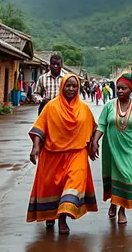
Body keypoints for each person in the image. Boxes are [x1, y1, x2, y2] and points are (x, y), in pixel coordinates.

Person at [27, 74, 98, 234]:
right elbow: (40, 127)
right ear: (62, 87)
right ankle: (50, 214)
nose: (71, 89)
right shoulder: (51, 107)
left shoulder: (84, 108)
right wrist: (35, 147)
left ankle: (62, 218)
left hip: (77, 154)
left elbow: (92, 128)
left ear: (78, 88)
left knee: (74, 184)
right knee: (53, 189)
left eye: (74, 86)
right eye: (68, 85)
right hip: (52, 155)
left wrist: (94, 144)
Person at [90, 73, 132, 225]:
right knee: (114, 176)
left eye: (123, 88)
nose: (120, 91)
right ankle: (114, 203)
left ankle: (122, 209)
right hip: (111, 147)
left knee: (127, 177)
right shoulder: (109, 105)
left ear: (131, 90)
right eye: (118, 88)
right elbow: (102, 125)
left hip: (131, 149)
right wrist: (95, 141)